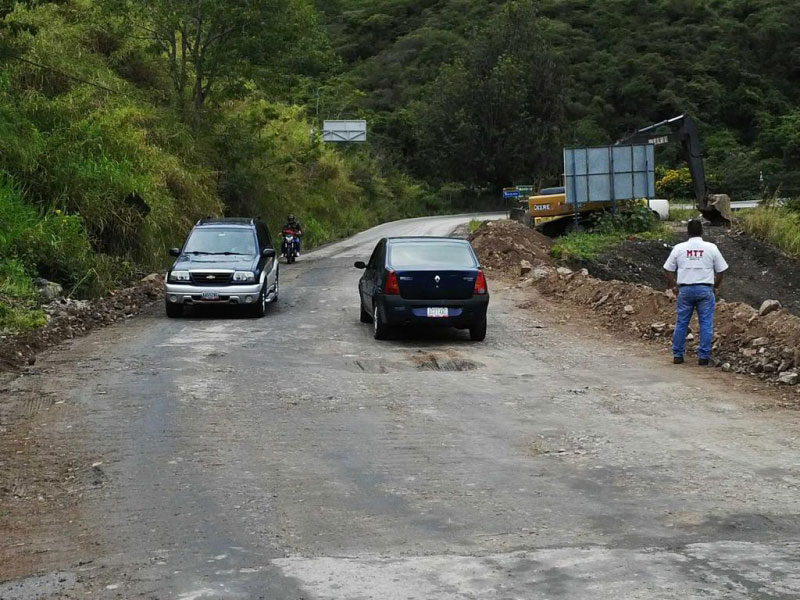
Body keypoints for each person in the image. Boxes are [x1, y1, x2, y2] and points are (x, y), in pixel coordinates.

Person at [663, 220, 729, 365]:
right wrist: (715, 286)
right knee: (706, 324)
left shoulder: (679, 248)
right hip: (705, 289)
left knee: (681, 323)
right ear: (702, 232)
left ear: (687, 232)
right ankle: (703, 357)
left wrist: (673, 286)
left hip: (685, 290)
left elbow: (668, 269)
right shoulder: (711, 248)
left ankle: (678, 355)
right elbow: (721, 270)